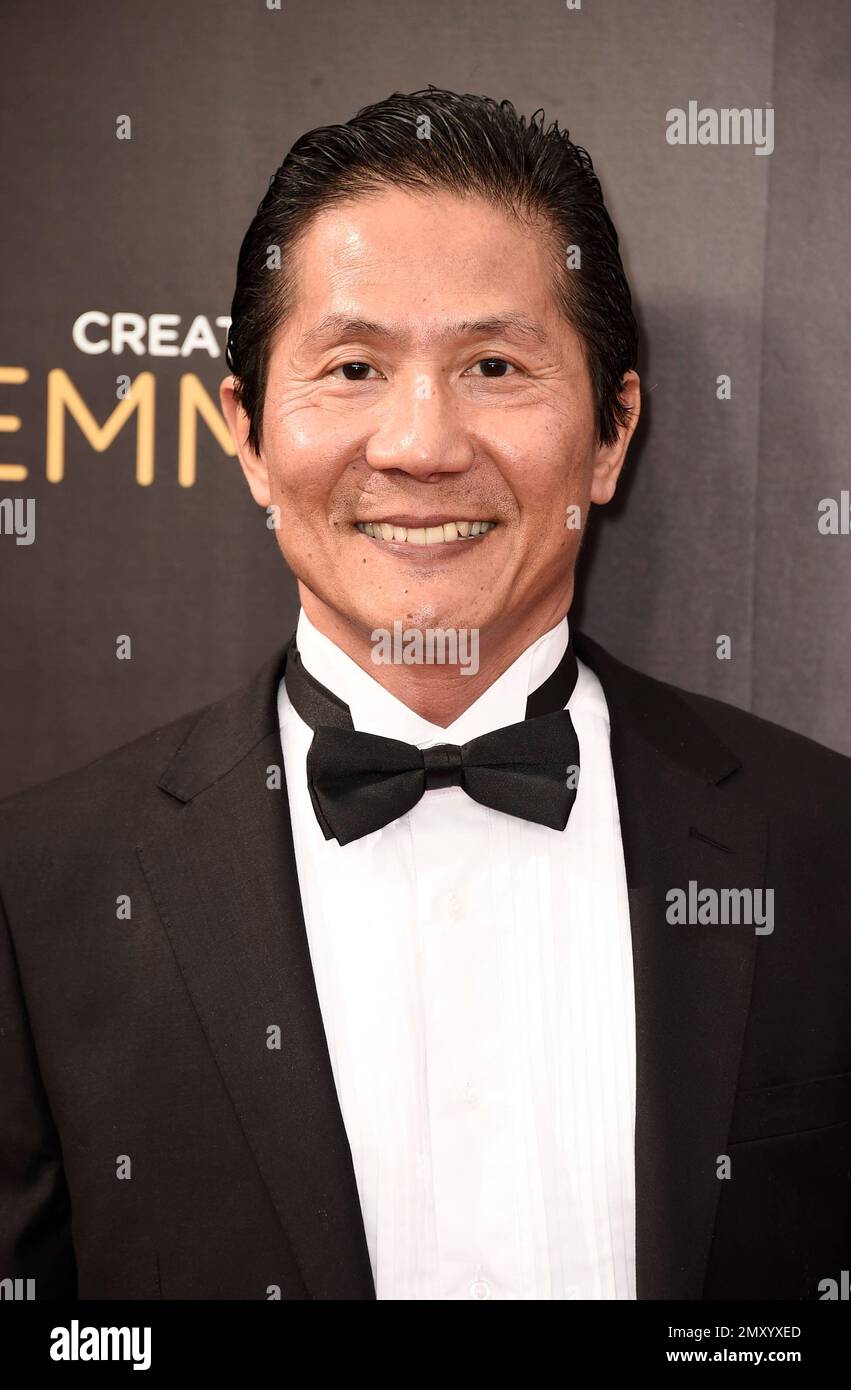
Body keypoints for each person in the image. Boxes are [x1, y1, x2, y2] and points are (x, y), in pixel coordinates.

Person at [1, 88, 849, 1302]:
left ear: (611, 435)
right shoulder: (40, 895)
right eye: (351, 366)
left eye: (493, 365)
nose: (418, 443)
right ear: (243, 433)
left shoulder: (820, 849)